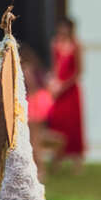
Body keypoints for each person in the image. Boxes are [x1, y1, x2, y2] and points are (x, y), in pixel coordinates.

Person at [32, 16, 85, 165]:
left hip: (70, 90)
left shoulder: (76, 45)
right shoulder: (55, 43)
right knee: (57, 121)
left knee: (73, 124)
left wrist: (64, 85)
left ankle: (76, 159)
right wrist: (53, 81)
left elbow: (78, 71)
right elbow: (56, 66)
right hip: (58, 89)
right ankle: (58, 157)